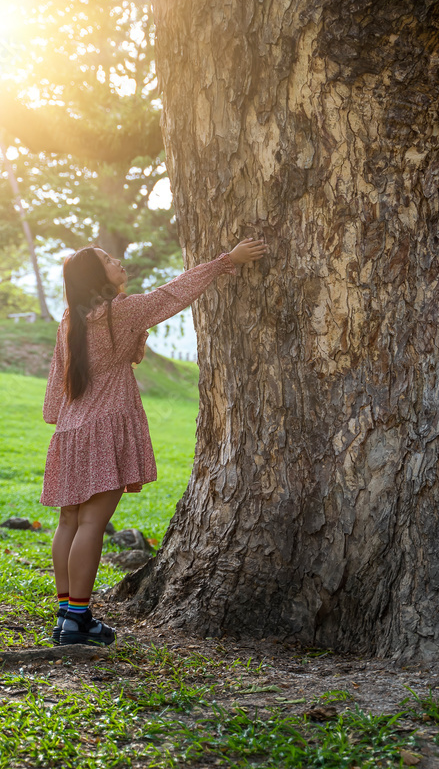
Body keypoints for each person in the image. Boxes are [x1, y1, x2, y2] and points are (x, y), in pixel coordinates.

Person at [40, 237, 269, 647]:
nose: (119, 262)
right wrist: (225, 261)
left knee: (69, 522)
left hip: (70, 431)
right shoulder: (121, 312)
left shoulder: (69, 321)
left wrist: (64, 424)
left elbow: (58, 384)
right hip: (105, 425)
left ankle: (67, 617)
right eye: (109, 261)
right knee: (92, 523)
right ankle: (77, 620)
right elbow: (175, 293)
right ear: (96, 277)